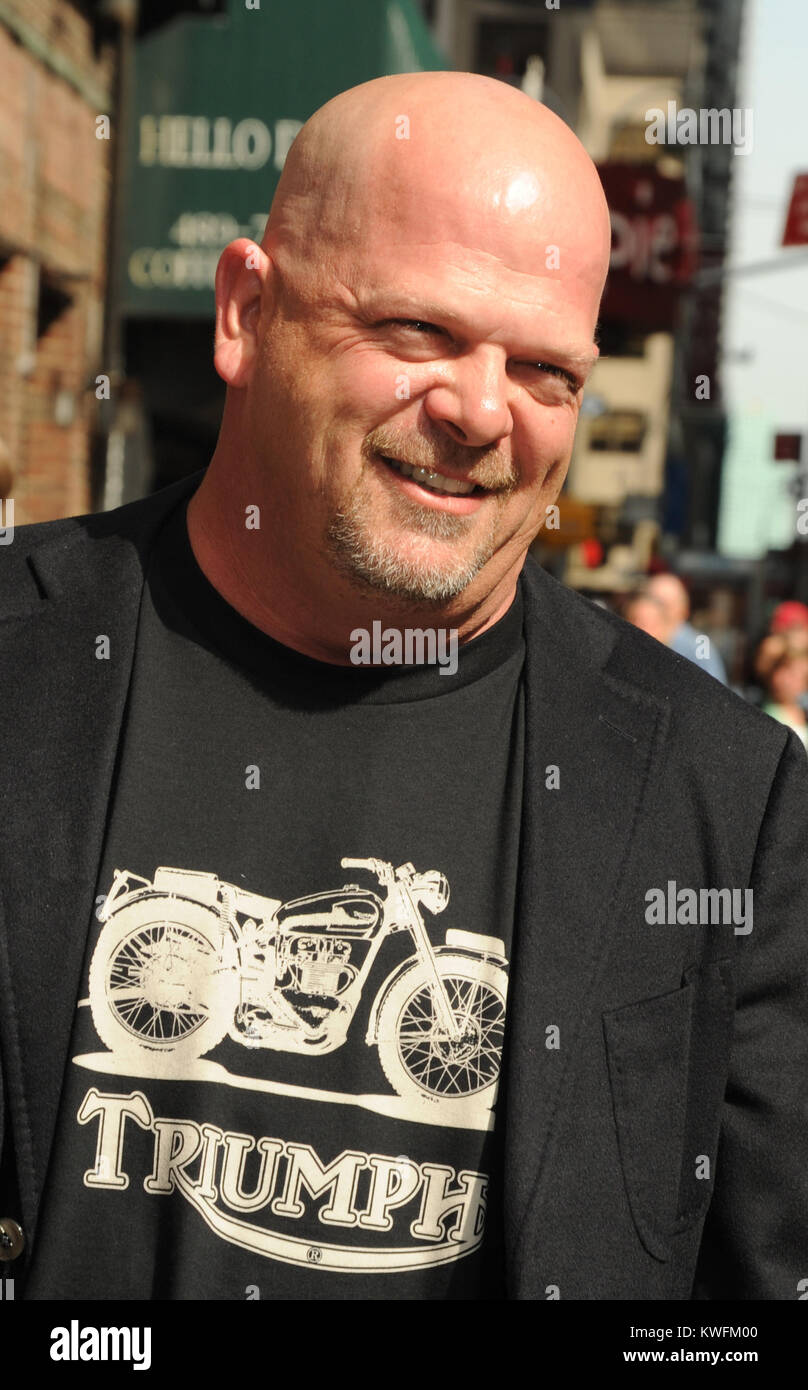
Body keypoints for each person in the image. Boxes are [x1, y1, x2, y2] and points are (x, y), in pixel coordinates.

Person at [1, 71, 806, 1303]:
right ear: (244, 311)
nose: (482, 410)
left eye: (543, 369)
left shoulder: (724, 798)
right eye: (418, 332)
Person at [645, 572, 728, 684]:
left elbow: (714, 690)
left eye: (663, 605)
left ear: (683, 609)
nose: (654, 612)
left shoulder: (698, 645)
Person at [755, 631, 808, 747]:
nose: (784, 680)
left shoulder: (802, 711)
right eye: (781, 671)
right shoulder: (769, 715)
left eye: (795, 675)